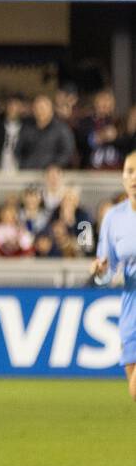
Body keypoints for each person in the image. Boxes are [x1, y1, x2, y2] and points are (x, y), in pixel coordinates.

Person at [92, 151, 136, 400]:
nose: (134, 177)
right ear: (122, 178)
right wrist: (101, 271)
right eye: (130, 171)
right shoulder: (114, 218)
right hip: (131, 308)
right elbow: (107, 272)